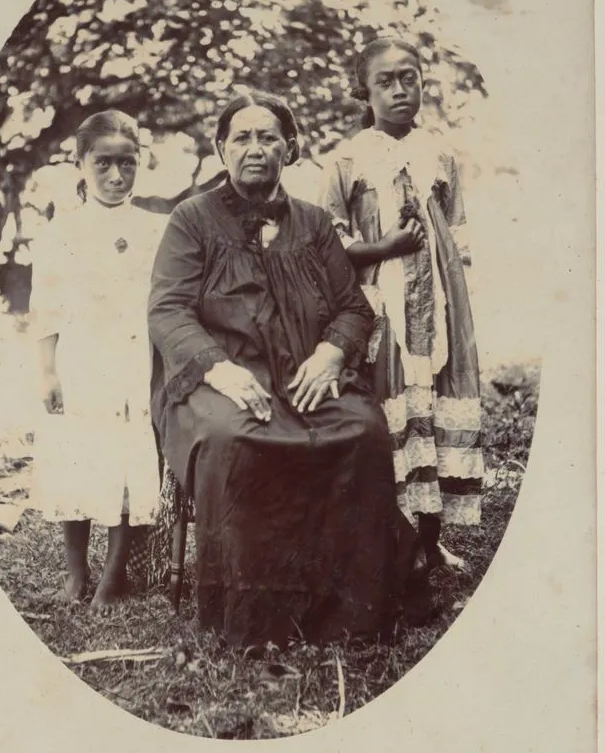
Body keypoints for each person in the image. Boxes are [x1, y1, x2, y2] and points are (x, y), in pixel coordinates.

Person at [148, 90, 431, 648]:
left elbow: (352, 305)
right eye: (242, 138)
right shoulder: (192, 219)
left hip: (307, 373)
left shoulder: (314, 222)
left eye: (268, 137)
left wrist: (330, 355)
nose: (255, 149)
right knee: (235, 439)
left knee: (362, 430)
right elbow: (168, 310)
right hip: (220, 379)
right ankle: (257, 619)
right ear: (221, 149)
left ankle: (351, 613)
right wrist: (218, 369)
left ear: (291, 148)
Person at [320, 38, 484, 570]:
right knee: (390, 414)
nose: (399, 90)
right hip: (379, 305)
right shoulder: (348, 159)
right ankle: (390, 542)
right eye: (385, 82)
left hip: (436, 306)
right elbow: (331, 240)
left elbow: (454, 234)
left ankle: (430, 541)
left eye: (408, 78)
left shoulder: (439, 154)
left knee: (433, 409)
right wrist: (385, 248)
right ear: (364, 92)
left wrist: (455, 304)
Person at [30, 109, 163, 613]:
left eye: (126, 164)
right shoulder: (60, 231)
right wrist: (47, 371)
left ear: (139, 164)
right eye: (103, 163)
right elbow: (45, 305)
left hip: (132, 361)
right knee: (76, 457)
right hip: (81, 361)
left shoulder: (156, 229)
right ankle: (76, 570)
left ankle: (112, 576)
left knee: (124, 462)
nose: (115, 176)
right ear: (80, 162)